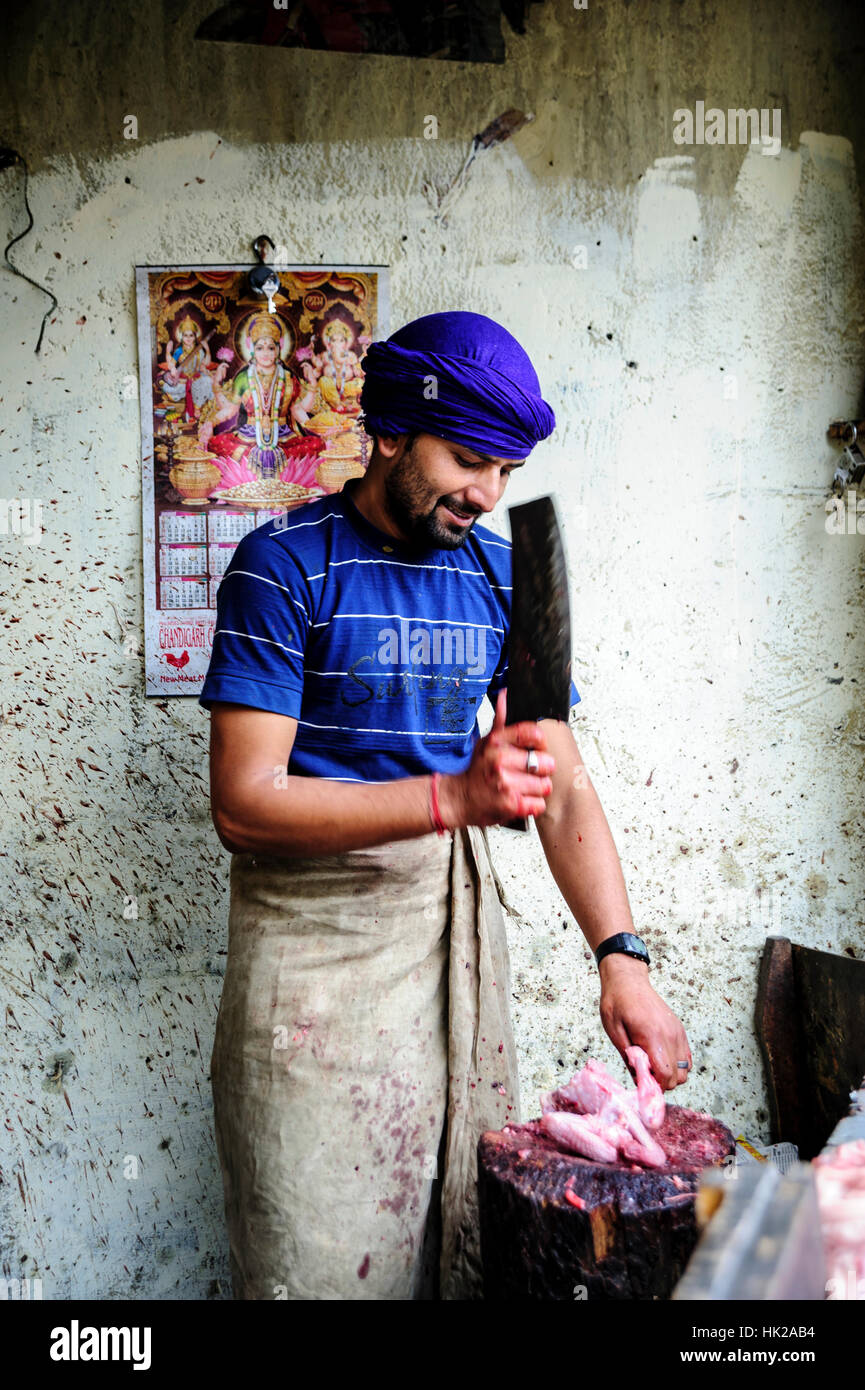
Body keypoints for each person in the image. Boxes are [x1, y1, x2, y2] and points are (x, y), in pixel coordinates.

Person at [199, 310, 691, 1301]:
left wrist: (621, 958)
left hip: (452, 947)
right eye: (468, 457)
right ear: (388, 431)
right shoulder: (279, 564)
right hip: (312, 964)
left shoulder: (504, 574)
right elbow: (244, 807)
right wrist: (451, 795)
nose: (487, 491)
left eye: (506, 470)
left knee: (463, 1243)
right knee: (315, 1253)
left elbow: (561, 778)